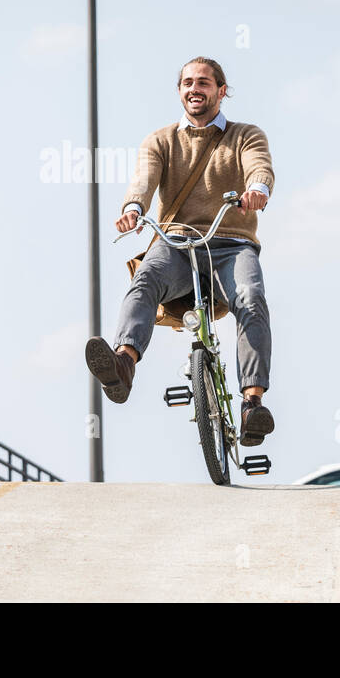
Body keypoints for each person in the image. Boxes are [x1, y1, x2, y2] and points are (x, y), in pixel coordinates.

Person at [84, 57, 276, 446]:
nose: (195, 89)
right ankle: (123, 364)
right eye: (188, 82)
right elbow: (144, 179)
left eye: (204, 83)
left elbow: (260, 166)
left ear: (222, 91)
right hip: (176, 241)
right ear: (179, 91)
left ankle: (251, 403)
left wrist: (258, 189)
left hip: (232, 242)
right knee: (145, 280)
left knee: (251, 298)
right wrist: (132, 209)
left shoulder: (246, 135)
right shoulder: (161, 140)